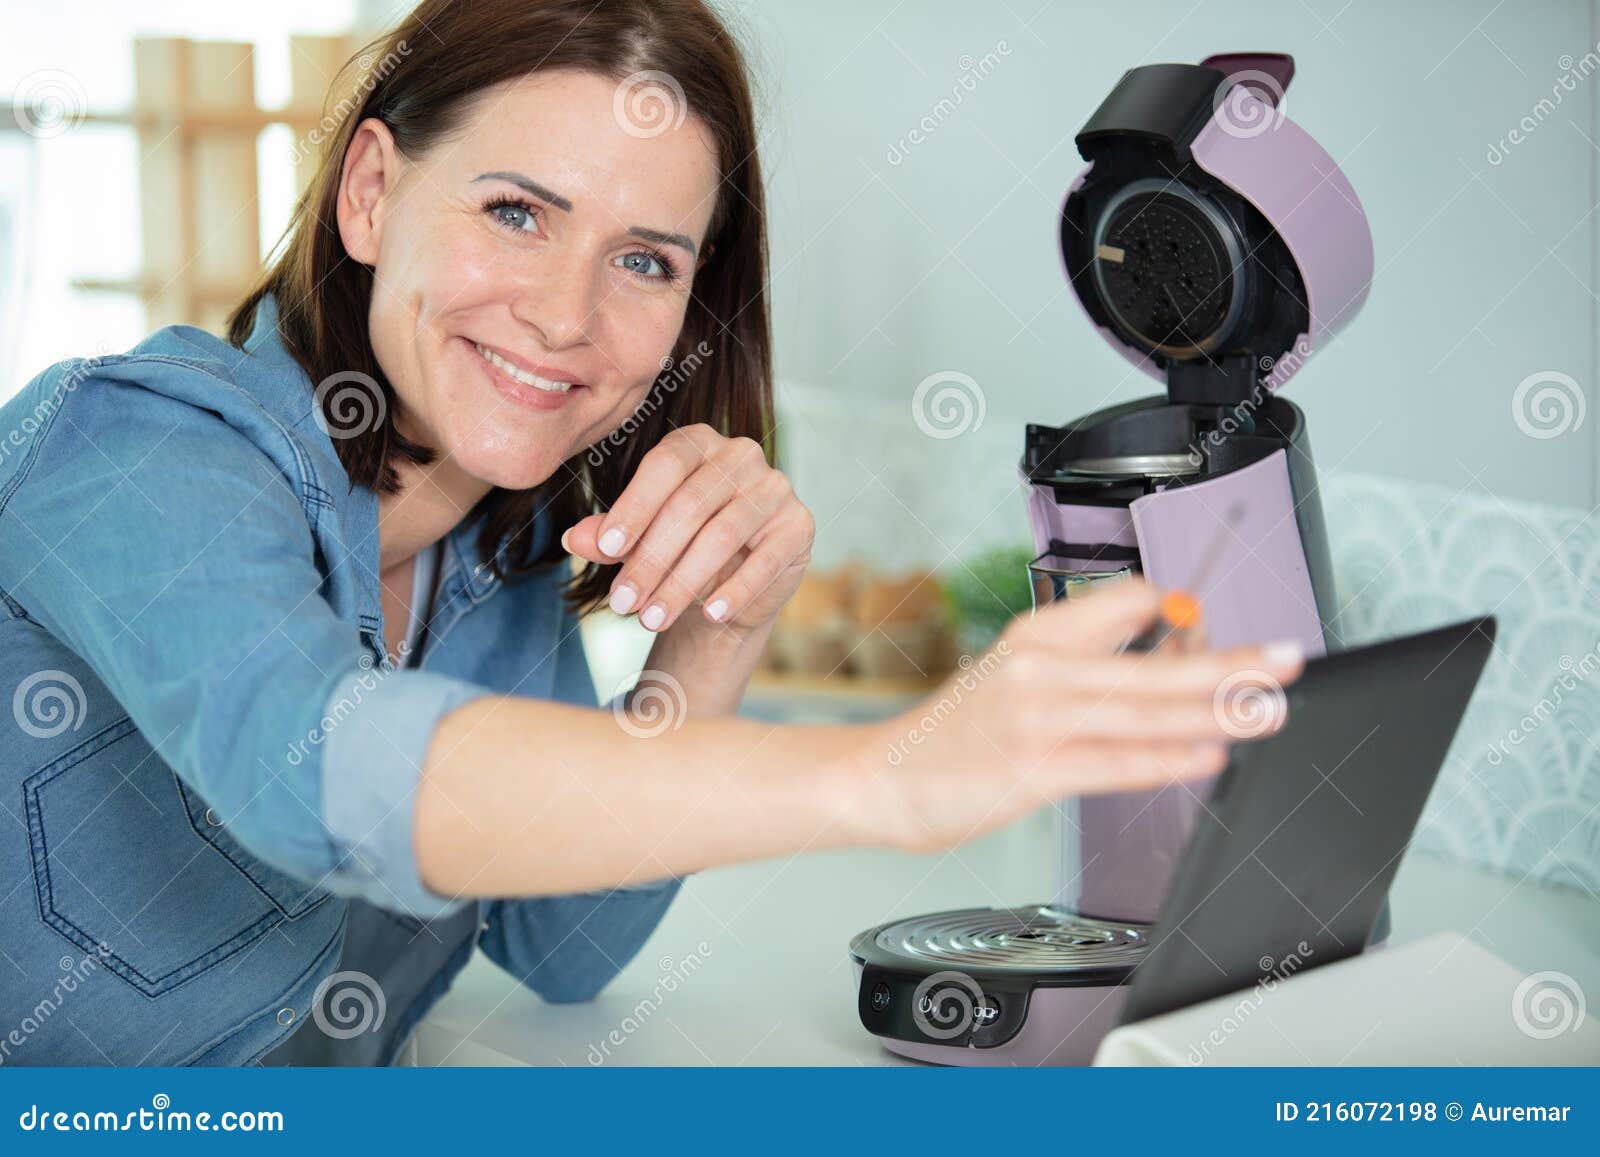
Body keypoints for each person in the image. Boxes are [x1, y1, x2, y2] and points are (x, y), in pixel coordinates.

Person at [0, 0, 1303, 1066]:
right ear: (372, 196)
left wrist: (718, 625)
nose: (568, 314)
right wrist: (888, 775)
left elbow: (567, 945)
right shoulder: (137, 451)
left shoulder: (500, 562)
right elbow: (322, 769)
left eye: (646, 260)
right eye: (516, 210)